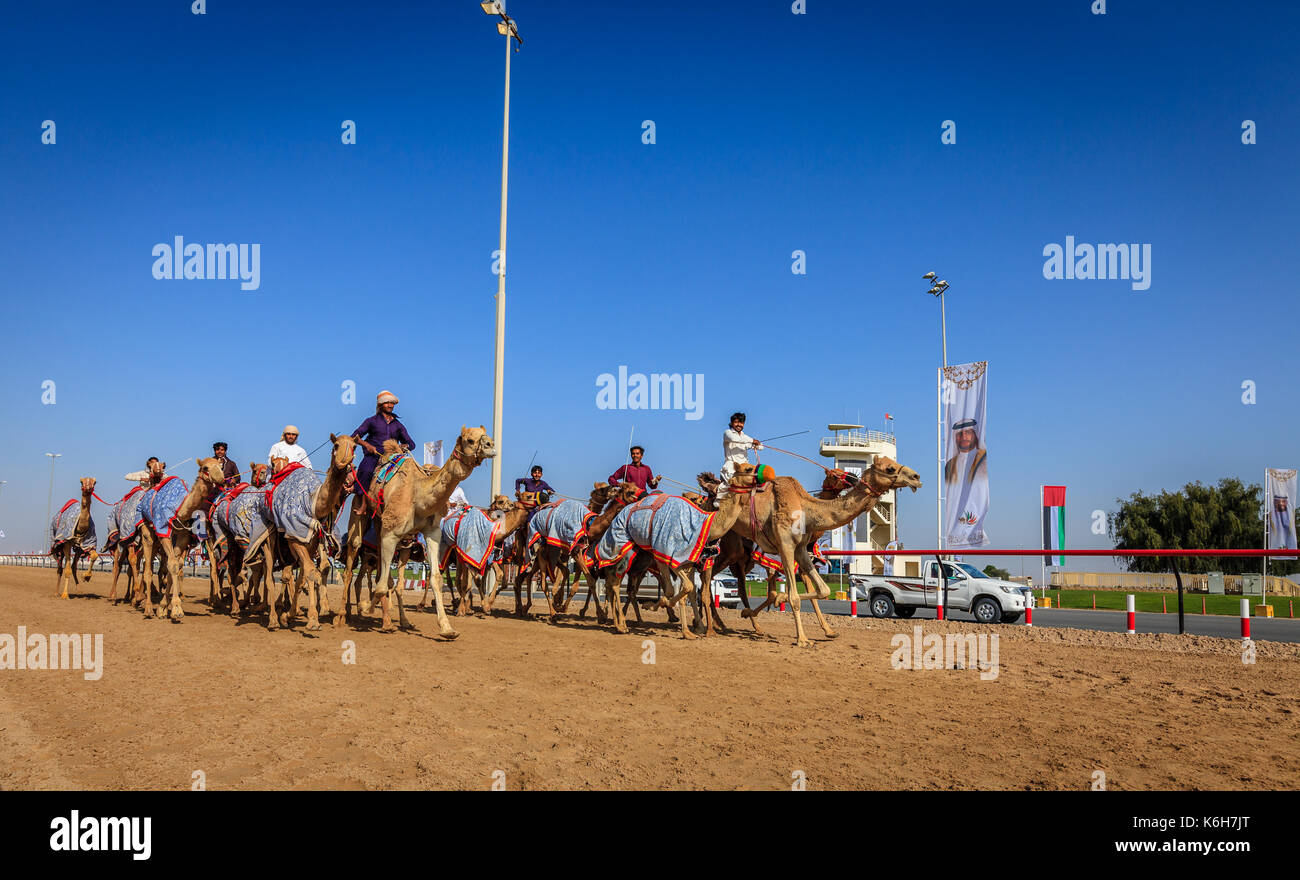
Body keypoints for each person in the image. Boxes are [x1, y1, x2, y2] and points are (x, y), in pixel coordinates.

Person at [351, 390, 416, 499]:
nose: (390, 405)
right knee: (366, 471)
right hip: (374, 456)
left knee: (411, 473)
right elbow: (354, 436)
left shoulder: (398, 425)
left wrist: (403, 446)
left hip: (393, 458)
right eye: (387, 403)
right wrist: (366, 445)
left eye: (392, 403)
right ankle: (362, 501)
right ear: (380, 404)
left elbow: (411, 444)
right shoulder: (371, 421)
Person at [716, 412, 760, 506]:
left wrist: (757, 444)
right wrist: (752, 441)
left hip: (745, 466)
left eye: (741, 423)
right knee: (731, 482)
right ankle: (718, 499)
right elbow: (734, 439)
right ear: (732, 423)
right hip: (732, 465)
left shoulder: (744, 437)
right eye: (736, 422)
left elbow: (760, 447)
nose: (739, 425)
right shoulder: (727, 433)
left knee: (757, 480)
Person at [944, 418, 987, 484]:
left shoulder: (983, 459)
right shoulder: (950, 465)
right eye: (960, 434)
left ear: (975, 435)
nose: (964, 437)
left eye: (968, 432)